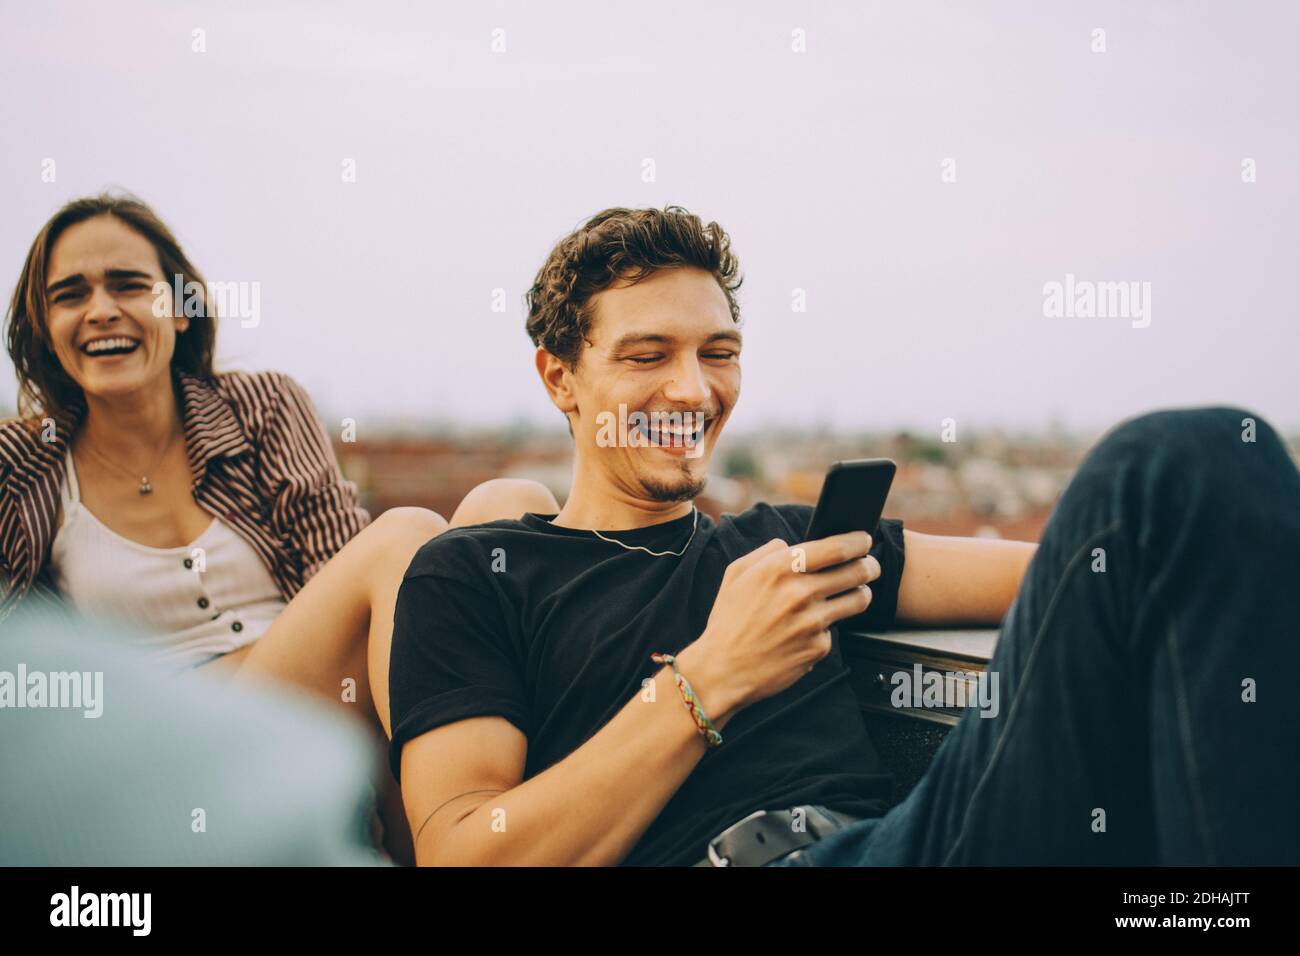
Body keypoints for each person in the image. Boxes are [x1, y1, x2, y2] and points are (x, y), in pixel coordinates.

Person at [389, 205, 1299, 867]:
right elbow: (470, 855)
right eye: (645, 355)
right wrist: (713, 676)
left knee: (1183, 464)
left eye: (718, 352)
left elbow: (1097, 568)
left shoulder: (787, 542)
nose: (691, 390)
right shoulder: (477, 574)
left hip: (892, 849)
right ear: (560, 378)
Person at [0, 193, 559, 861]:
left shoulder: (261, 407)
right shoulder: (21, 467)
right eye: (70, 294)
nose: (100, 310)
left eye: (128, 284)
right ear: (46, 326)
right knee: (405, 533)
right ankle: (454, 848)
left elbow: (341, 579)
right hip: (159, 734)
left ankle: (530, 817)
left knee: (511, 507)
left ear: (179, 308)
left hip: (322, 695)